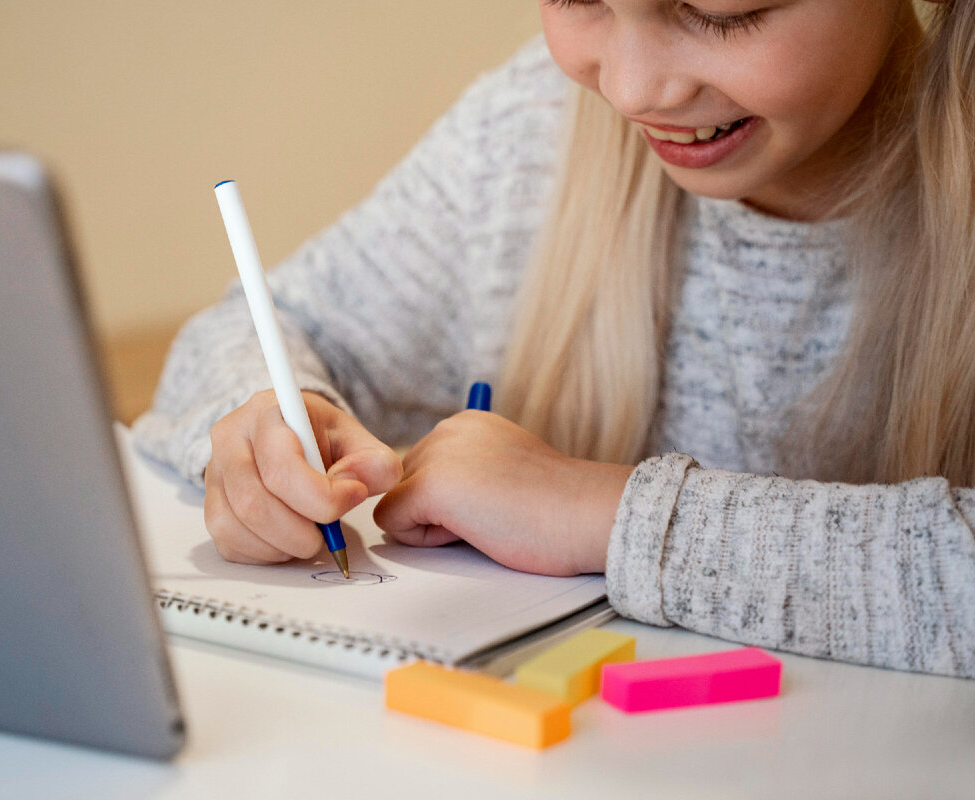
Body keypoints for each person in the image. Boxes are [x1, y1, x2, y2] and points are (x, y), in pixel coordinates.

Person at [134, 0, 975, 678]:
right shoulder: (530, 129)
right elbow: (259, 326)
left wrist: (600, 511)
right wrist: (268, 429)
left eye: (724, 12)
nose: (635, 88)